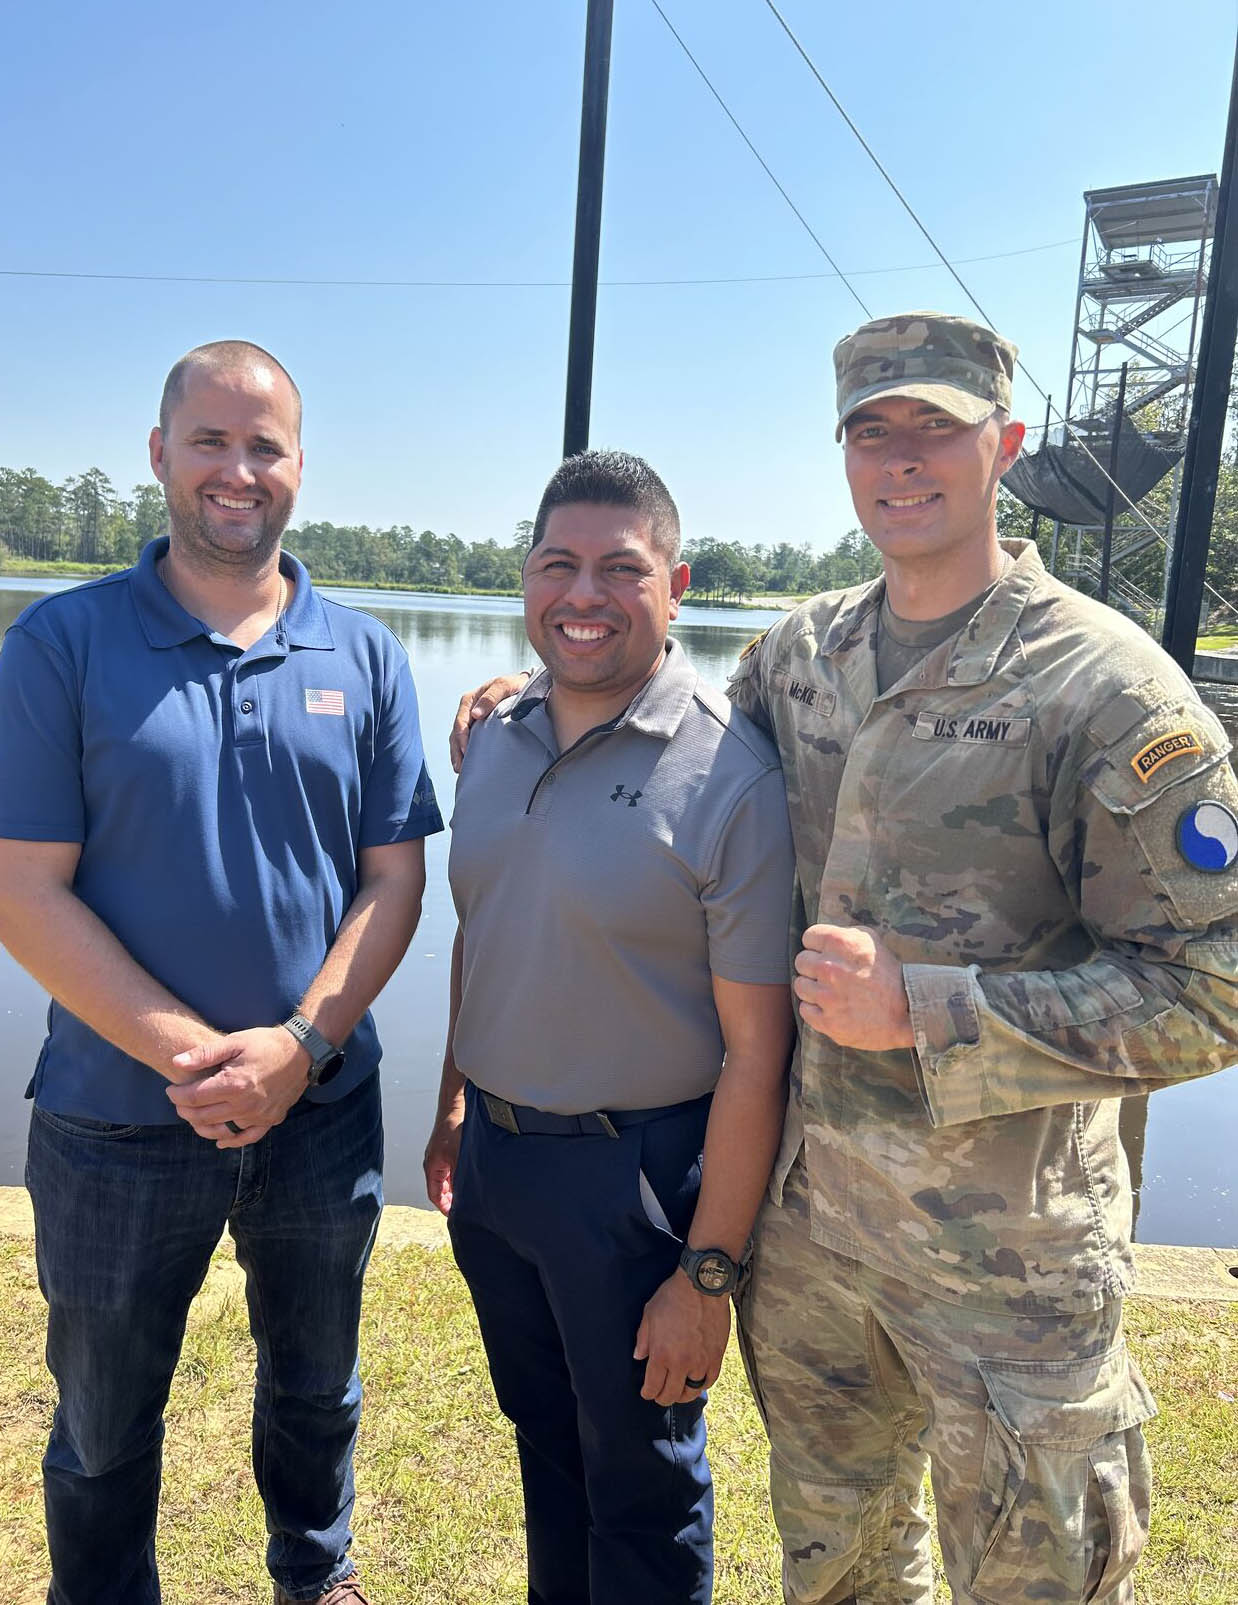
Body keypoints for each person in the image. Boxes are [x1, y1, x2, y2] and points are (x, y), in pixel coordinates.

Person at [450, 315, 1238, 1605]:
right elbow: (655, 738)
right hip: (812, 1241)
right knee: (843, 1574)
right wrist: (524, 695)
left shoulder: (1107, 688)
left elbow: (1209, 985)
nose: (902, 458)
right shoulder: (798, 656)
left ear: (1008, 446)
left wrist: (927, 1012)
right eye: (872, 430)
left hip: (1007, 1265)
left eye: (937, 427)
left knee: (1033, 1587)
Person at [0, 340, 443, 1605]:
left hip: (319, 1110)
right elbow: (21, 888)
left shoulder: (361, 655)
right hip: (115, 1115)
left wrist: (299, 1048)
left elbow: (394, 882)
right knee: (101, 1418)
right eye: (210, 440)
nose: (236, 470)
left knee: (316, 1385)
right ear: (159, 454)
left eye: (264, 446)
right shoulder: (61, 645)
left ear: (299, 467)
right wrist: (197, 1057)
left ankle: (315, 1575)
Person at [424, 448, 795, 1605]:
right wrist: (449, 1105)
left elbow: (757, 1054)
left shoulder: (729, 774)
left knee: (641, 1488)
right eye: (556, 565)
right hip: (495, 1165)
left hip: (633, 1183)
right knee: (547, 1451)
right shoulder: (494, 737)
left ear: (675, 585)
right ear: (523, 579)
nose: (581, 595)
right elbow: (482, 930)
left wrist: (707, 1272)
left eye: (619, 570)